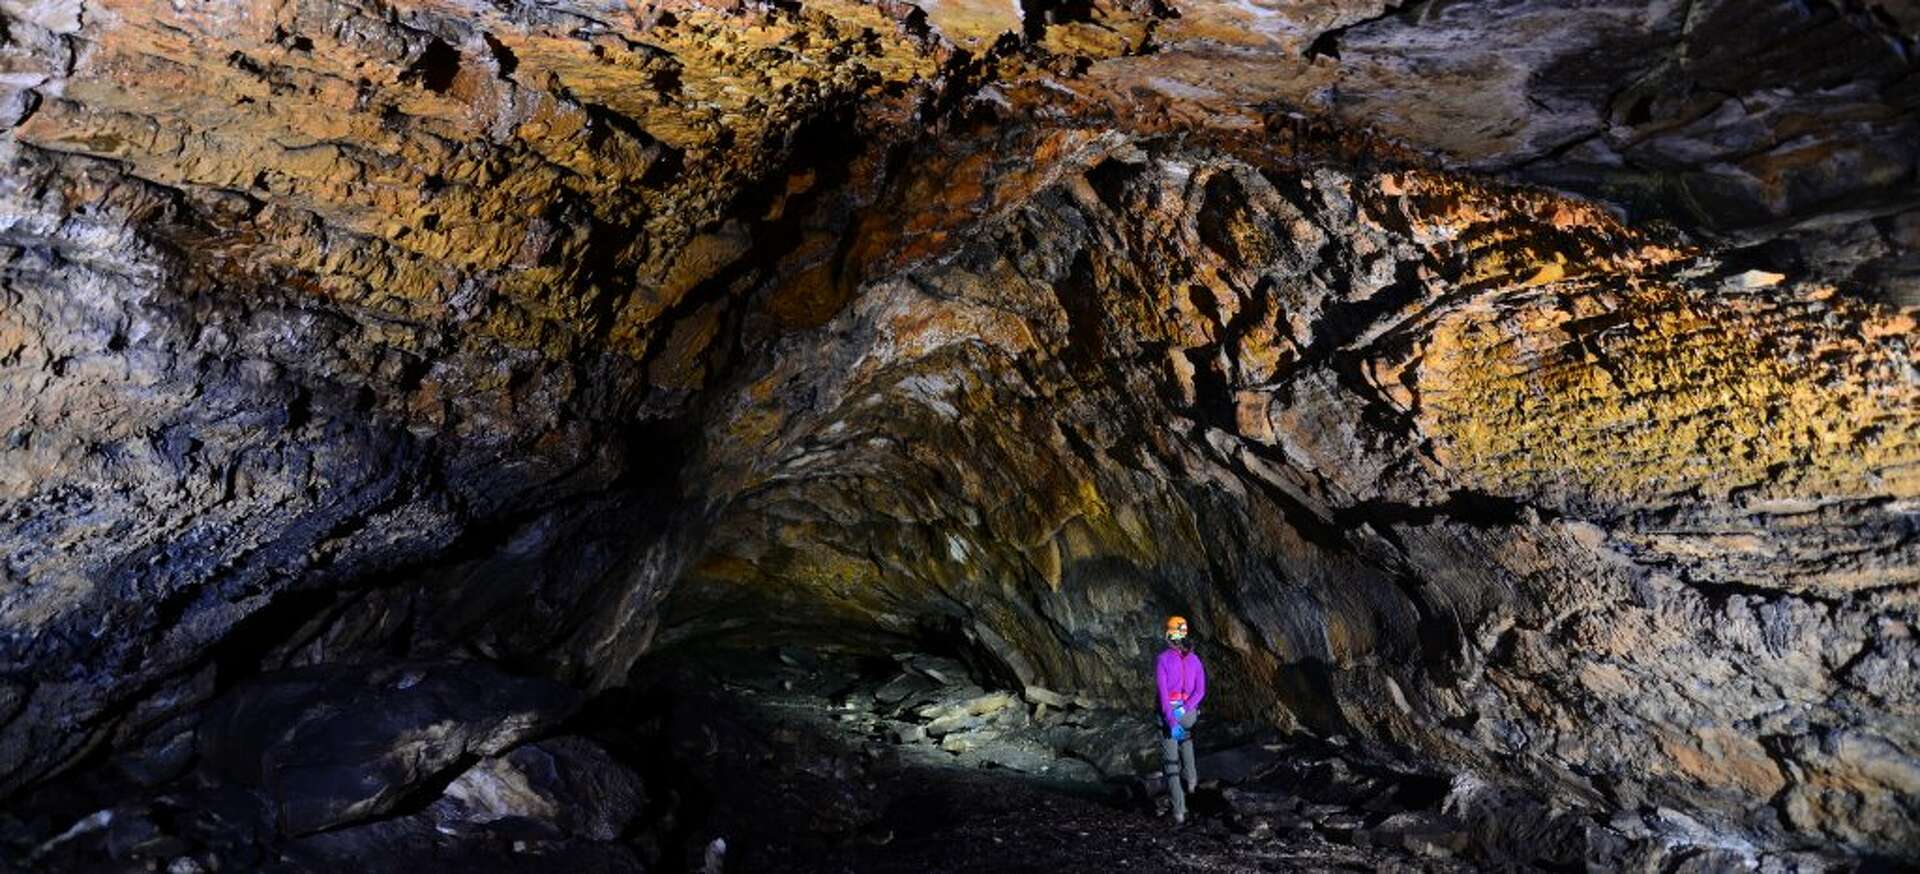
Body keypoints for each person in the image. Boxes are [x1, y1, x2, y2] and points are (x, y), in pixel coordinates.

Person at [1156, 614, 1205, 823]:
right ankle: (1192, 780)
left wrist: (1172, 717)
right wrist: (1185, 710)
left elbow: (1163, 694)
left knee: (1171, 764)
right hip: (1190, 713)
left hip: (1171, 713)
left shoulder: (1163, 659)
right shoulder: (1195, 659)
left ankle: (1178, 811)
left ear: (1168, 635)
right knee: (1186, 740)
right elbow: (1200, 691)